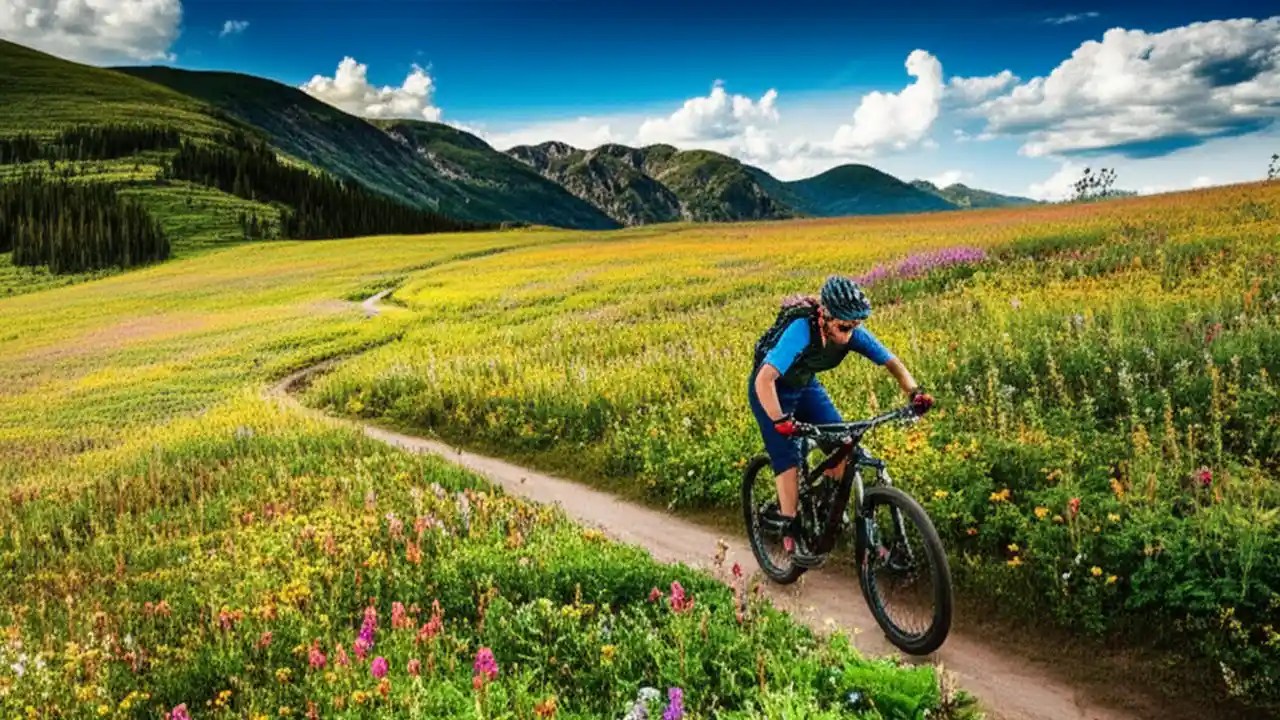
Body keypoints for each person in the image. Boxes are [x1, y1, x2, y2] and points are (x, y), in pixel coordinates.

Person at [748, 275, 933, 566]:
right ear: (825, 316)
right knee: (788, 459)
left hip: (805, 386)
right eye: (843, 327)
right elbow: (764, 379)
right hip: (772, 393)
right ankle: (790, 528)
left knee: (843, 444)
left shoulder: (850, 329)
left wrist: (914, 392)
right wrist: (779, 420)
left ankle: (825, 507)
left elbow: (892, 362)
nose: (849, 335)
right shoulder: (801, 330)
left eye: (854, 327)